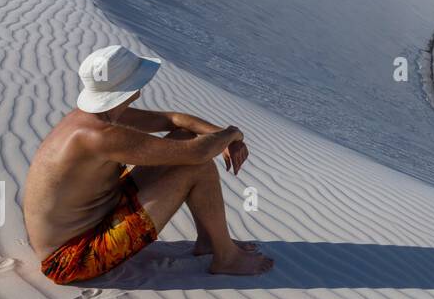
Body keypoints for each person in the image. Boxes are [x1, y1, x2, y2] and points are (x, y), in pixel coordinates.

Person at [24, 44, 273, 283]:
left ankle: (210, 239)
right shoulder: (99, 135)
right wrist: (232, 134)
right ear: (131, 87)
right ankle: (226, 258)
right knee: (197, 165)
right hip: (71, 258)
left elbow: (175, 120)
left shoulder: (94, 117)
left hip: (98, 216)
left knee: (184, 138)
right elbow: (197, 154)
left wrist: (222, 136)